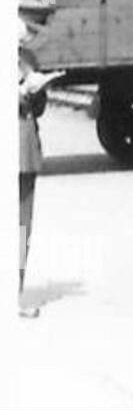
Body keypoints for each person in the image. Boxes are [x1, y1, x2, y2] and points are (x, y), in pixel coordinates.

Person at [18, 16, 63, 319]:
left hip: (24, 148)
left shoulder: (27, 59)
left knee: (21, 226)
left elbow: (41, 108)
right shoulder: (25, 60)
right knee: (20, 225)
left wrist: (36, 89)